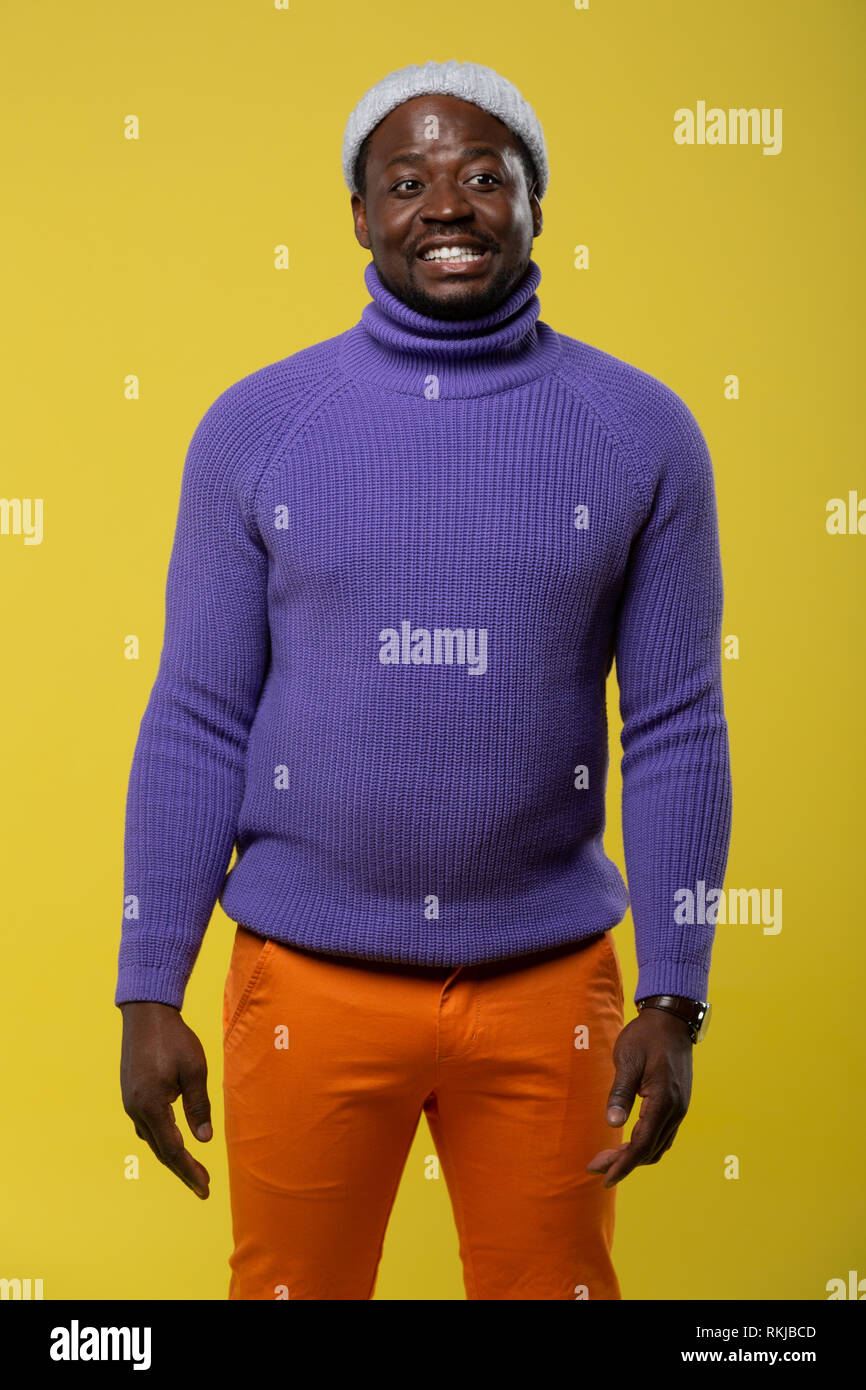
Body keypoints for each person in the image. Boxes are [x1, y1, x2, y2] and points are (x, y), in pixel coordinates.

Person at [117, 59, 732, 1301]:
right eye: (406, 182)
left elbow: (674, 724)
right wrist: (148, 989)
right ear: (359, 217)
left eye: (482, 176)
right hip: (305, 979)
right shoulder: (258, 427)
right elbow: (197, 717)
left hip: (547, 985)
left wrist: (673, 993)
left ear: (534, 204)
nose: (445, 204)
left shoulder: (640, 431)